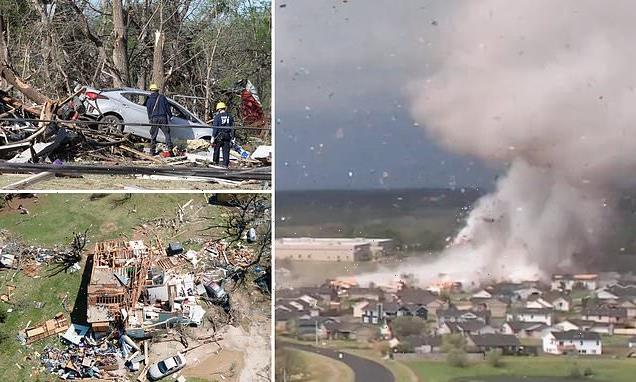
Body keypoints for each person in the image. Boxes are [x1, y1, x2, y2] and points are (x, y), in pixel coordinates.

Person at [146, 83, 173, 155]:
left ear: (151, 91)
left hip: (154, 118)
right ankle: (170, 150)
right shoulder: (162, 97)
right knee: (167, 133)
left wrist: (150, 118)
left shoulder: (149, 99)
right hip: (163, 118)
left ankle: (152, 151)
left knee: (153, 135)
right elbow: (167, 107)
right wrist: (170, 116)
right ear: (157, 90)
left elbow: (149, 110)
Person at [212, 101, 234, 167]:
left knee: (216, 150)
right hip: (227, 136)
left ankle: (215, 163)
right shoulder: (230, 117)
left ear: (219, 109)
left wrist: (213, 137)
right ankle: (225, 164)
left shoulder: (217, 117)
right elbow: (233, 128)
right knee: (226, 151)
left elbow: (215, 128)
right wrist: (233, 138)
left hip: (218, 136)